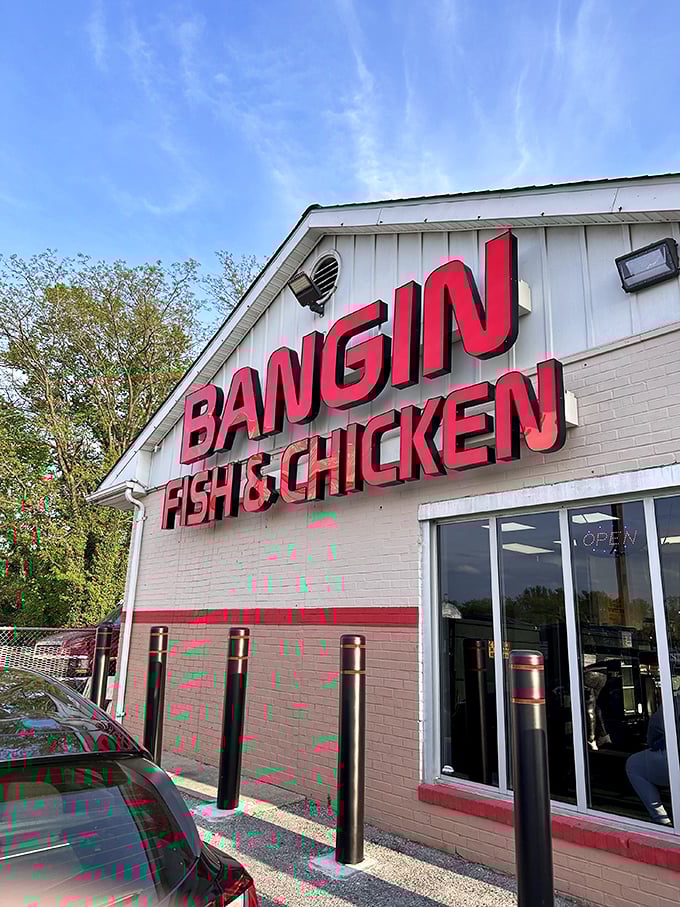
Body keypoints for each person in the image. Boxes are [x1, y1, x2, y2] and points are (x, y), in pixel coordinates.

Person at [625, 694, 679, 826]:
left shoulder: (675, 701)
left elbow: (654, 729)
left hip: (675, 758)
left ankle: (662, 820)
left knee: (633, 764)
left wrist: (656, 743)